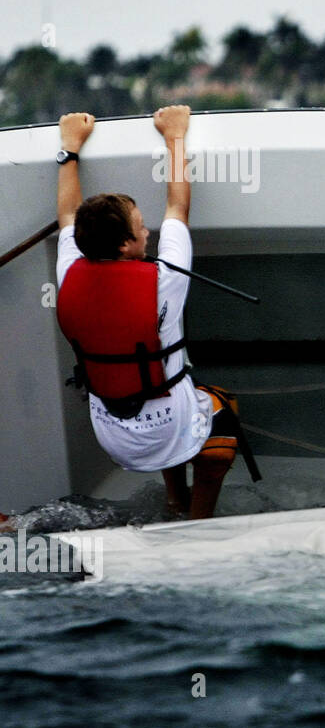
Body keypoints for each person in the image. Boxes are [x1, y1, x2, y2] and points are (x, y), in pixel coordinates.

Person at [54, 106, 241, 519]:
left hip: (112, 436)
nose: (148, 232)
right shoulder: (163, 280)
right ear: (124, 245)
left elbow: (67, 215)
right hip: (170, 427)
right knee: (224, 410)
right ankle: (198, 520)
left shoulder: (68, 273)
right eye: (140, 227)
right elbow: (178, 207)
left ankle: (174, 498)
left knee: (172, 396)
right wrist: (174, 135)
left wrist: (69, 149)